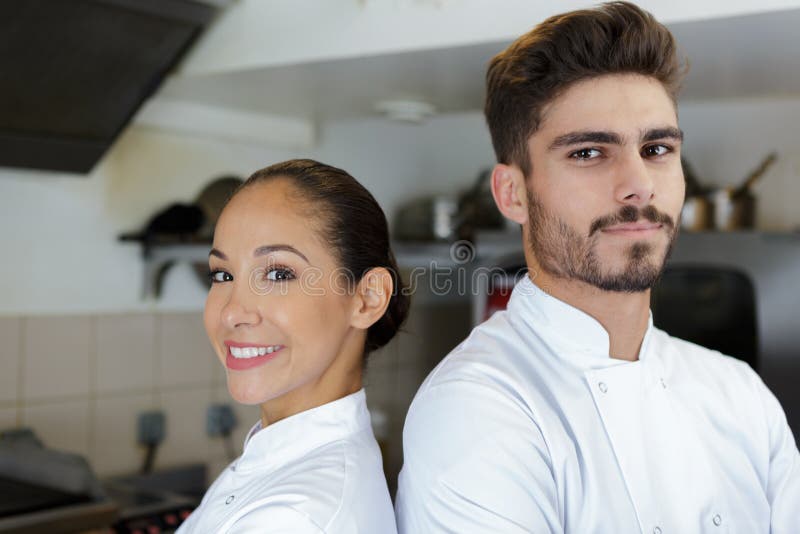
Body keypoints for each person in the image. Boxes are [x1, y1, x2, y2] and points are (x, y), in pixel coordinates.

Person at [395, 3, 800, 533]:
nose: (639, 184)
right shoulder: (476, 410)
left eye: (656, 148)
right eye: (589, 153)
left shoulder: (738, 394)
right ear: (512, 193)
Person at [178, 159, 407, 533]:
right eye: (222, 274)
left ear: (366, 298)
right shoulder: (283, 468)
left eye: (278, 274)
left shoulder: (296, 519)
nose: (233, 312)